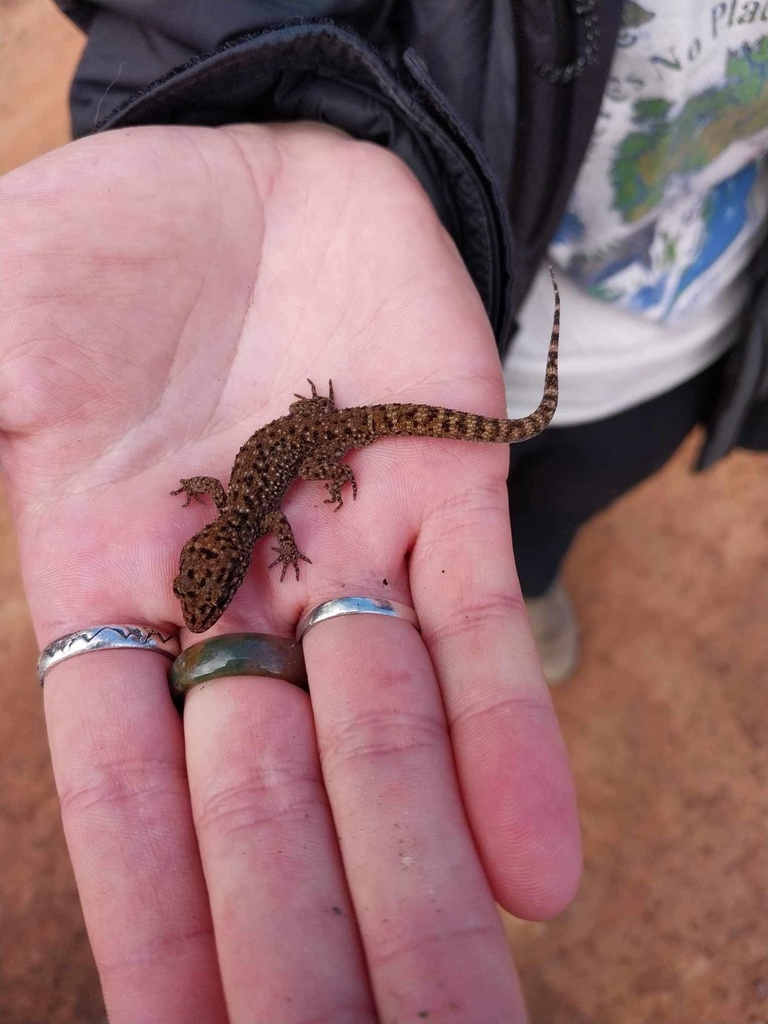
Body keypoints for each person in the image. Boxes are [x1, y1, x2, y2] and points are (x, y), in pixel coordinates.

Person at [2, 1, 766, 1020]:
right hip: (437, 299)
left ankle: (535, 549)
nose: (212, 589)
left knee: (540, 484)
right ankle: (535, 535)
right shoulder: (236, 514)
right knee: (519, 474)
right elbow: (241, 500)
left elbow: (255, 508)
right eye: (214, 581)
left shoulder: (248, 523)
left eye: (210, 579)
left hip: (660, 342)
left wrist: (311, 488)